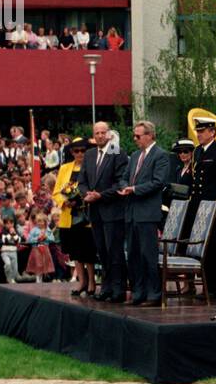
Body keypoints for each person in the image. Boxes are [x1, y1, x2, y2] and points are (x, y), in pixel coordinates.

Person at [119, 121, 172, 306]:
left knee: (148, 255)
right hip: (132, 212)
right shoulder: (134, 156)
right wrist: (125, 187)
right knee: (133, 255)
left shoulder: (161, 155)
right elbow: (124, 177)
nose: (135, 139)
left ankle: (153, 294)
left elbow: (159, 182)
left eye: (138, 136)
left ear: (150, 135)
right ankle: (138, 292)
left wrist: (134, 189)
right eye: (134, 135)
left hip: (148, 213)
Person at [78, 121, 129, 302]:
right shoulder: (90, 154)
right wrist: (87, 194)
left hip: (112, 209)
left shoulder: (117, 152)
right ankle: (106, 287)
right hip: (95, 211)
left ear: (108, 134)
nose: (100, 135)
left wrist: (100, 195)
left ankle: (118, 289)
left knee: (114, 250)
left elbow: (120, 182)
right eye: (96, 133)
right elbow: (81, 180)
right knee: (102, 251)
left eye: (103, 132)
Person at [188, 117, 216, 300]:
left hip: (214, 207)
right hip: (199, 207)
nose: (199, 135)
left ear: (212, 132)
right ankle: (206, 286)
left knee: (214, 248)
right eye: (197, 132)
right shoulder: (198, 151)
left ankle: (215, 288)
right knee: (204, 248)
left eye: (202, 131)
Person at [53, 138, 97, 297]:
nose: (79, 154)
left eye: (83, 150)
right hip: (69, 216)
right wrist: (66, 201)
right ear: (71, 152)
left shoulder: (93, 167)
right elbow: (57, 191)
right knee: (75, 252)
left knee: (88, 251)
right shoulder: (65, 168)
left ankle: (92, 282)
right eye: (76, 151)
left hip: (87, 215)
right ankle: (81, 282)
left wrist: (81, 198)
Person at [26, 211, 55, 281]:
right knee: (38, 264)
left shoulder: (48, 230)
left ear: (45, 222)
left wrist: (46, 238)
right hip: (36, 249)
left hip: (45, 249)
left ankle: (42, 277)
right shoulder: (34, 230)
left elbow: (52, 239)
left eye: (41, 221)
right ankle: (38, 278)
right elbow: (29, 240)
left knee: (44, 263)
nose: (39, 223)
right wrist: (37, 239)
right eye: (38, 221)